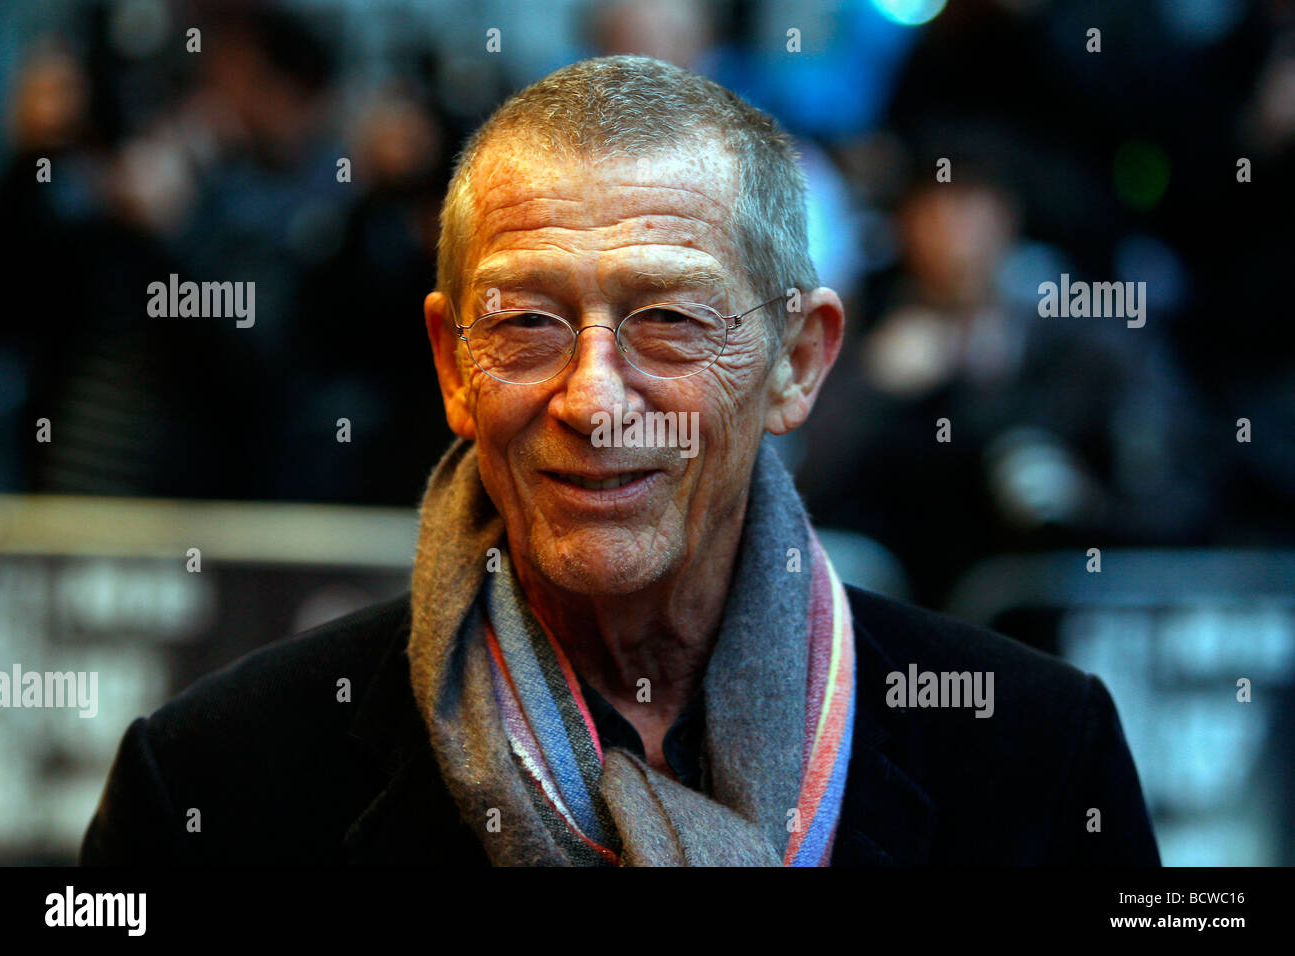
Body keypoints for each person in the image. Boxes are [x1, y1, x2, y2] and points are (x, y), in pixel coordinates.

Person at [80, 55, 1159, 866]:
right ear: (453, 365)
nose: (592, 398)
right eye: (528, 322)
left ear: (797, 362)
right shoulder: (215, 784)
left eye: (668, 321)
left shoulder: (1035, 755)